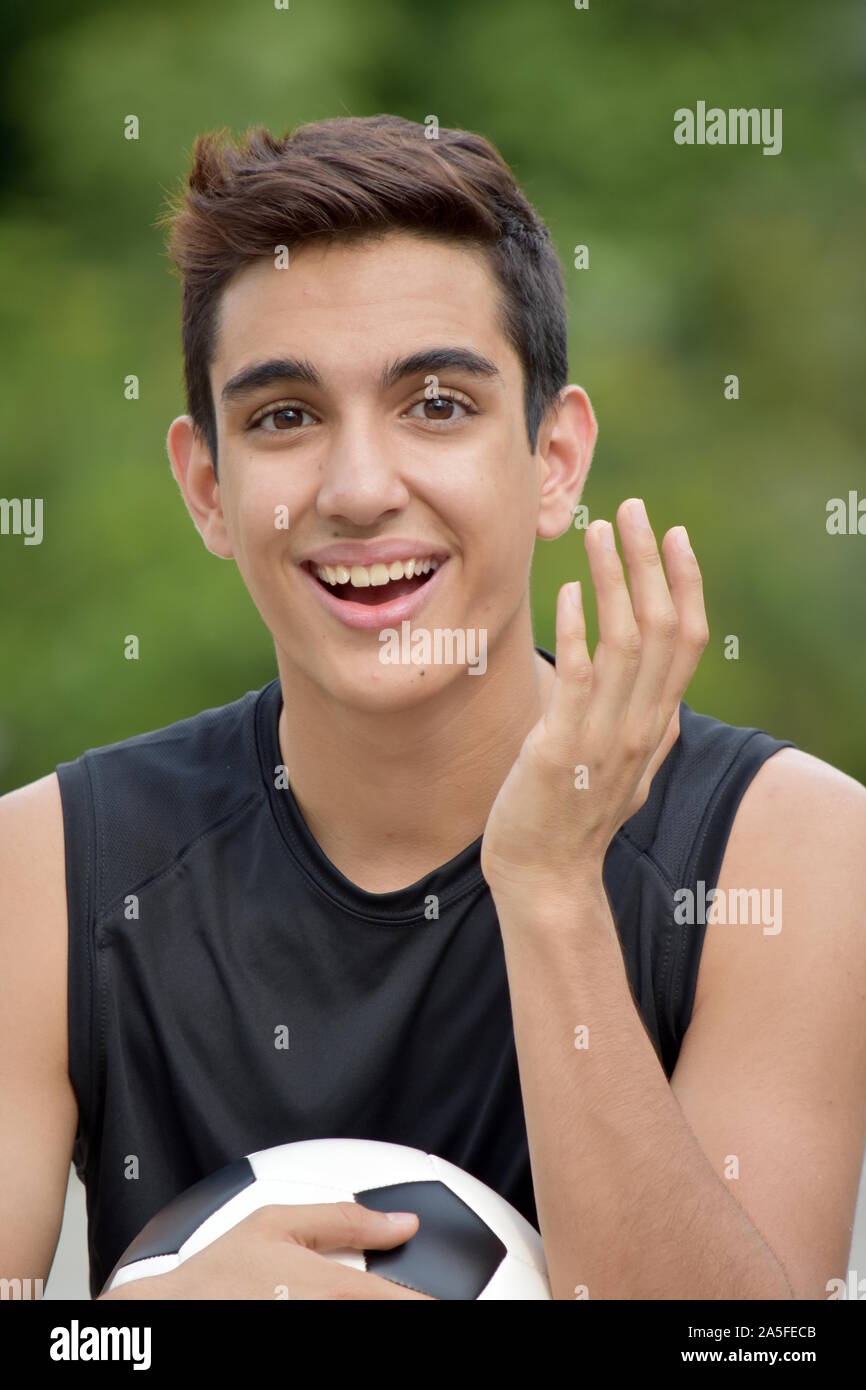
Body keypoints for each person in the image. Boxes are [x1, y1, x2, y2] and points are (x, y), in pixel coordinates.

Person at [2, 116, 864, 1302]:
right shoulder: (45, 870)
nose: (359, 490)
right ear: (208, 488)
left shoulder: (788, 849)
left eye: (438, 404)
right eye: (285, 417)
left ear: (553, 459)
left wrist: (550, 886)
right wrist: (133, 1332)